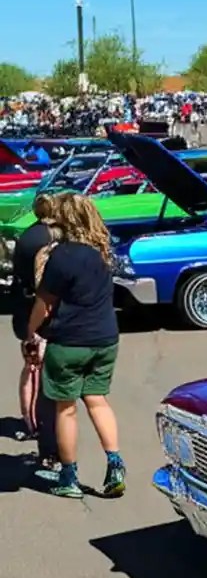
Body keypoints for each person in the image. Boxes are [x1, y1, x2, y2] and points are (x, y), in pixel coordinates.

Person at [25, 195, 123, 499]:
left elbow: (45, 304)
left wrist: (32, 333)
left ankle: (69, 477)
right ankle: (115, 464)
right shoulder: (105, 252)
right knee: (98, 400)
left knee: (66, 409)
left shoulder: (62, 256)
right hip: (105, 338)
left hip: (69, 341)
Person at [10, 193, 63, 467]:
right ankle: (41, 423)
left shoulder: (26, 236)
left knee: (30, 366)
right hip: (44, 310)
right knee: (43, 369)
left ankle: (28, 421)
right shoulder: (56, 237)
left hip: (23, 306)